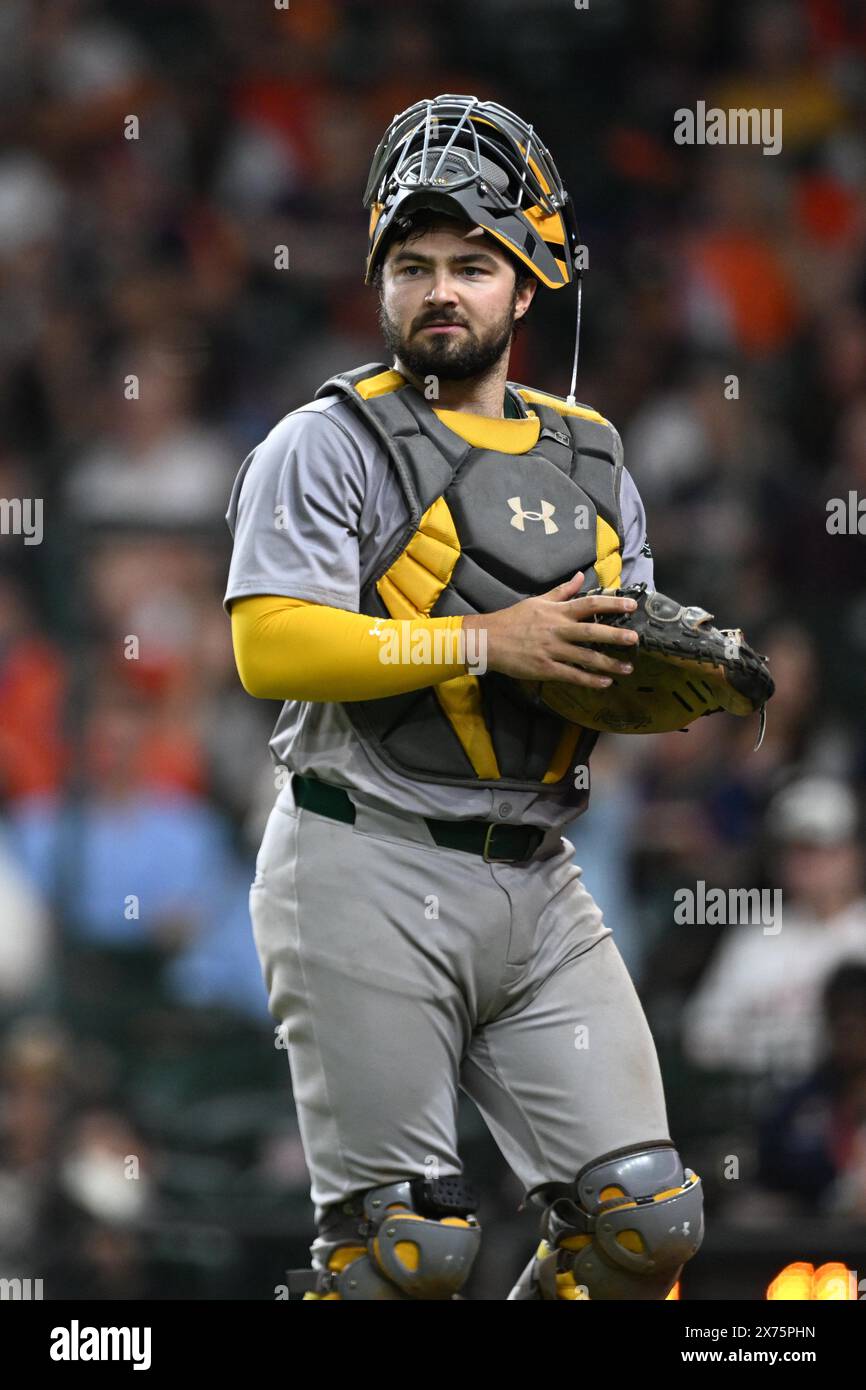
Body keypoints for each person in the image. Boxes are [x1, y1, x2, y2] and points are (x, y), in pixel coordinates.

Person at [223, 95, 703, 1300]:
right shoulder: (323, 443)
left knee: (645, 1223)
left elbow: (610, 658)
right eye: (414, 265)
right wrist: (487, 640)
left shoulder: (591, 453)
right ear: (380, 282)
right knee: (402, 1255)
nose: (441, 291)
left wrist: (666, 675)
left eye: (472, 266)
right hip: (362, 853)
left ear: (525, 285)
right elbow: (269, 647)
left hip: (538, 877)